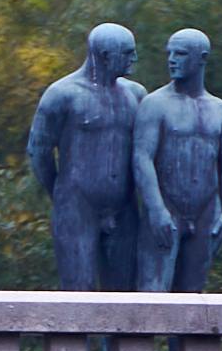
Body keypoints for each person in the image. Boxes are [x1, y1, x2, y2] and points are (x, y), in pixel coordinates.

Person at [29, 21, 161, 291]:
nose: (133, 59)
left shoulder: (136, 95)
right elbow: (39, 151)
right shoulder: (62, 95)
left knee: (125, 293)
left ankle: (117, 336)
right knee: (79, 292)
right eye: (126, 53)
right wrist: (61, 194)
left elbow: (148, 150)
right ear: (103, 56)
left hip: (123, 206)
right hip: (77, 203)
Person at [143, 25, 222, 292]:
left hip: (206, 209)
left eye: (180, 53)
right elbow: (142, 158)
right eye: (170, 53)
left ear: (201, 58)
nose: (172, 60)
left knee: (193, 297)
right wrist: (155, 209)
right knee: (153, 293)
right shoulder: (155, 104)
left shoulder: (221, 110)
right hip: (167, 206)